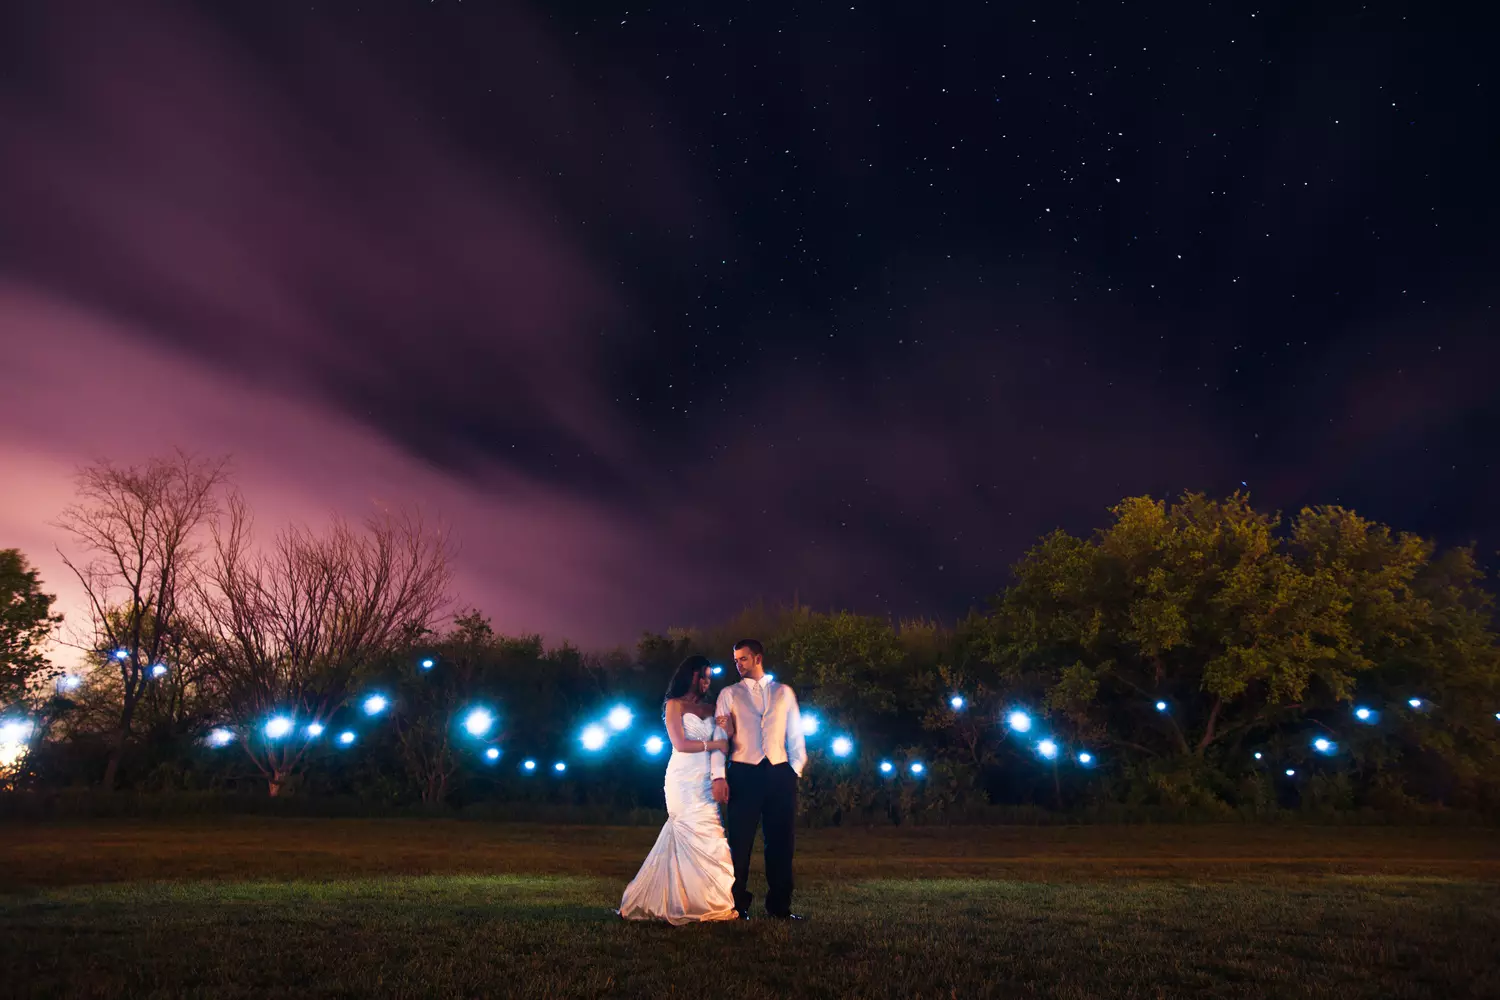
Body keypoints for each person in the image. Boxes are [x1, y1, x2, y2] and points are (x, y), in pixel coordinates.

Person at [618, 655, 739, 924]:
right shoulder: (674, 705)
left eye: (710, 677)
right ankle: (677, 901)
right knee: (685, 829)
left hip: (706, 778)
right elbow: (680, 743)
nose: (707, 682)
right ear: (691, 676)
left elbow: (728, 733)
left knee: (711, 834)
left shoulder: (712, 707)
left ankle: (705, 900)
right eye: (703, 676)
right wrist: (713, 746)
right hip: (683, 778)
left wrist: (726, 727)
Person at [710, 638, 807, 920]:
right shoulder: (728, 694)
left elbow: (795, 733)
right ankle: (737, 904)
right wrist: (718, 775)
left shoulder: (783, 692)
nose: (738, 664)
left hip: (779, 773)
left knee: (781, 842)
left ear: (757, 658)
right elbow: (719, 737)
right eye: (735, 660)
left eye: (743, 659)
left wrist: (794, 768)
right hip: (743, 772)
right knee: (739, 843)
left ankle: (780, 907)